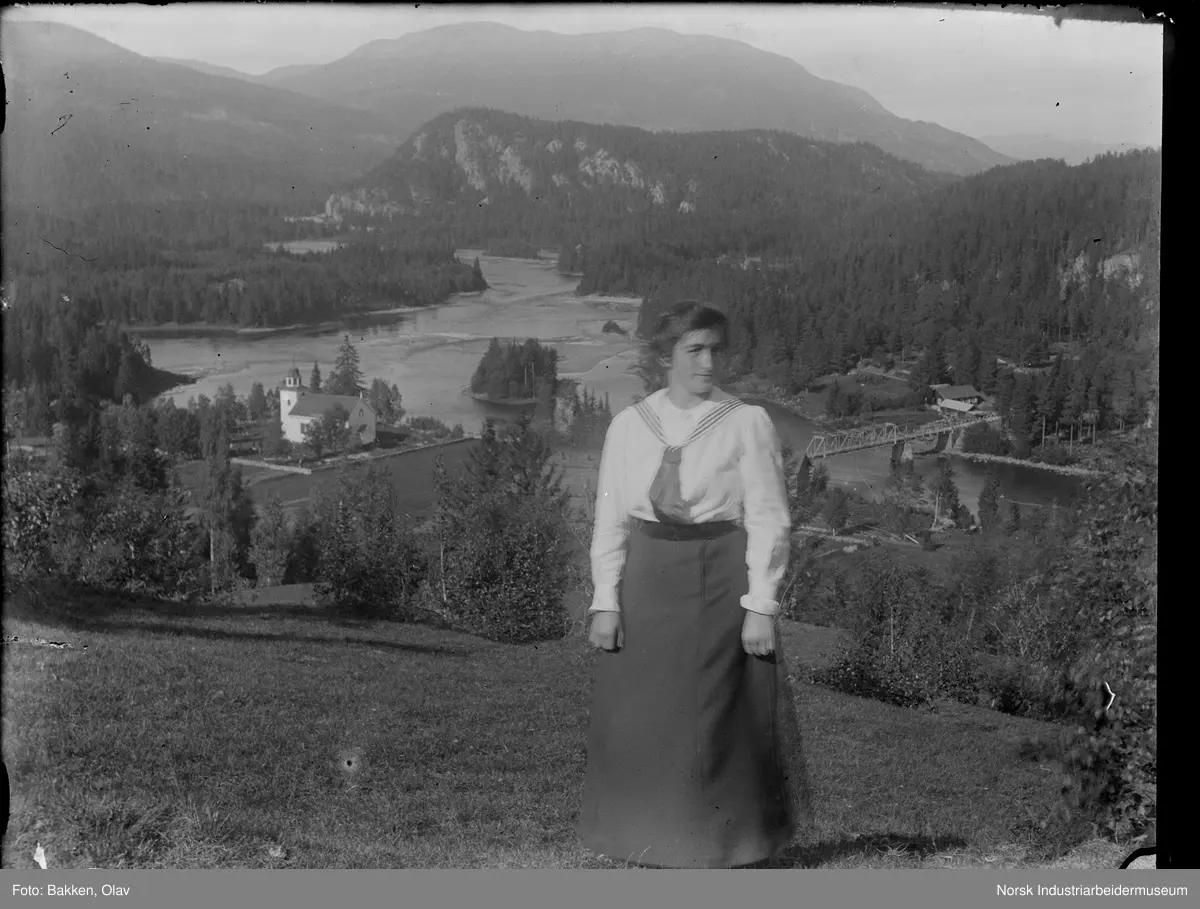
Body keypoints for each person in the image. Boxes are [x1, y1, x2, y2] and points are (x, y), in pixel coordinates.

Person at [577, 300, 810, 869]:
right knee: (637, 709)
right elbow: (610, 519)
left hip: (718, 574)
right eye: (694, 350)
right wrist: (605, 600)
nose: (709, 363)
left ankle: (717, 842)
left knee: (712, 711)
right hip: (648, 575)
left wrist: (761, 606)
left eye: (716, 350)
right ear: (665, 356)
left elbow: (769, 517)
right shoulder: (630, 425)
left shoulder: (745, 421)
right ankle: (636, 832)